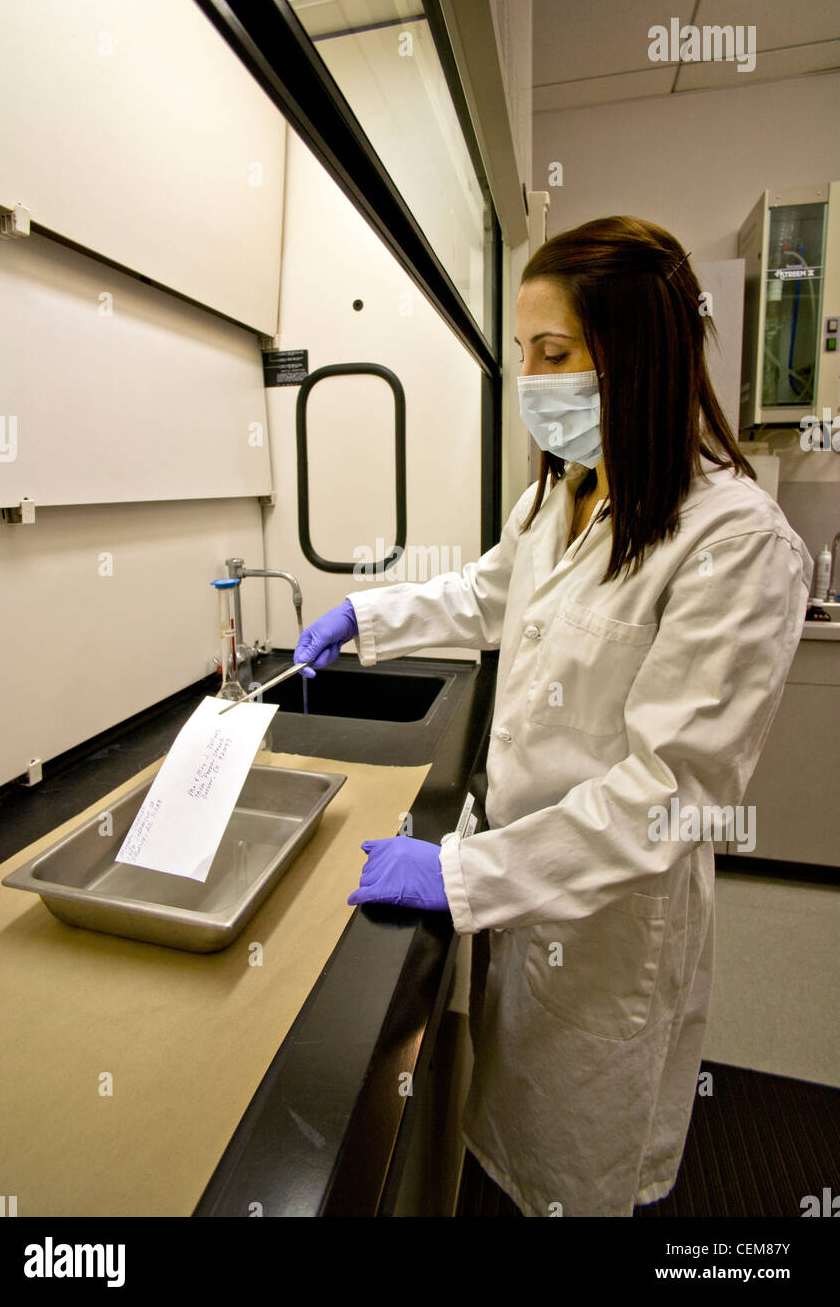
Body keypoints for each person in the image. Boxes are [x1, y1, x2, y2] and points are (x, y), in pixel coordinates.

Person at [293, 215, 814, 1218]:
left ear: (637, 352)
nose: (532, 381)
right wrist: (367, 615)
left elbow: (670, 799)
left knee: (569, 1183)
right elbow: (488, 594)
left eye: (554, 353)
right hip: (525, 901)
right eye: (522, 353)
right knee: (497, 1153)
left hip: (609, 922)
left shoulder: (733, 543)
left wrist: (457, 873)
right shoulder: (560, 496)